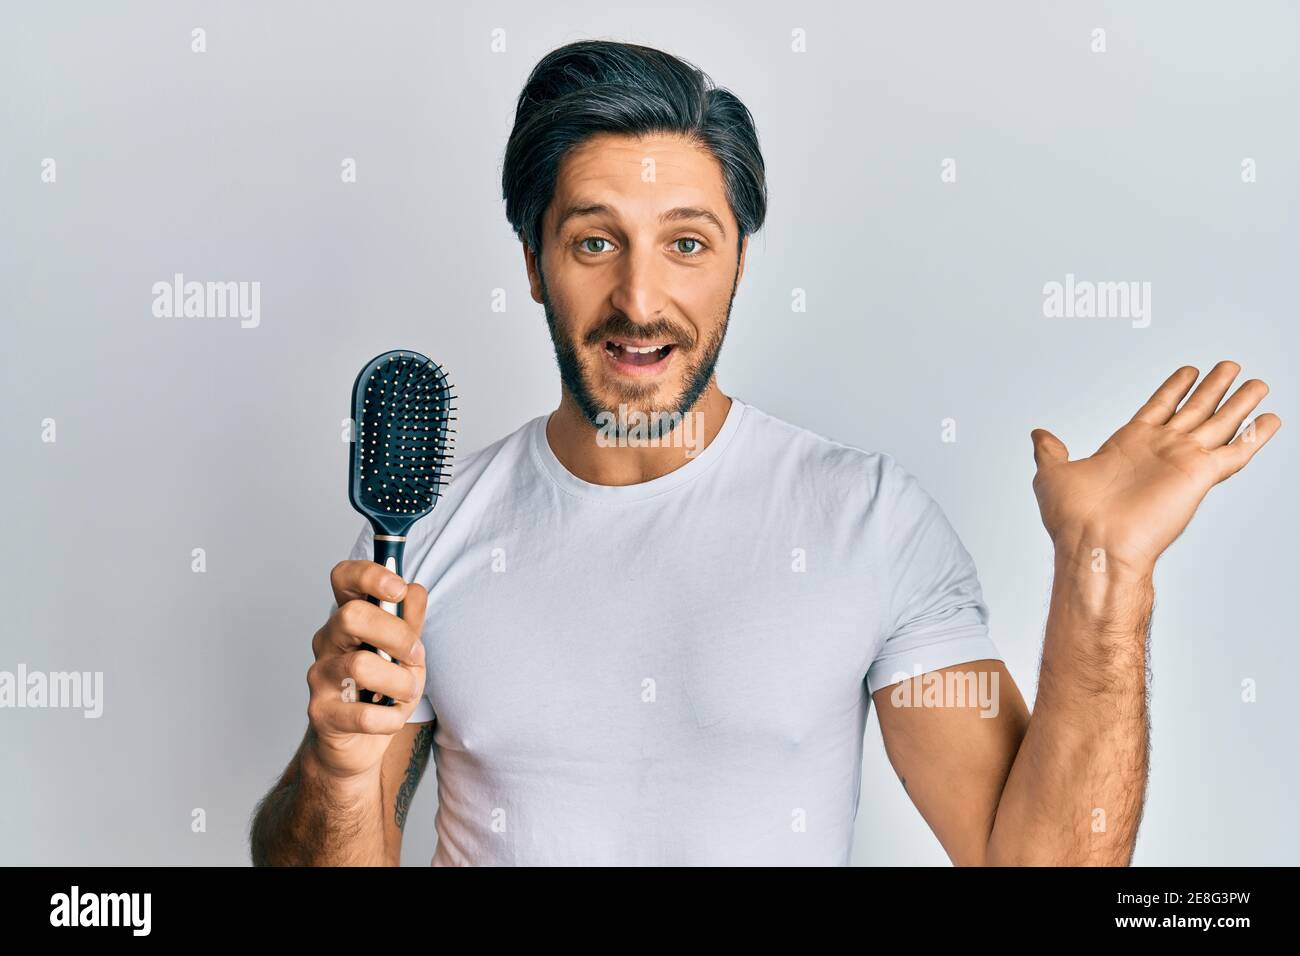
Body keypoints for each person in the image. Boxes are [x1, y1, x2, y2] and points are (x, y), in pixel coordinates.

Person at [250, 40, 1280, 866]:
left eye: (687, 242)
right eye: (594, 241)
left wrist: (1106, 572)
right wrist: (340, 767)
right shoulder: (426, 530)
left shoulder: (864, 520)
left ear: (739, 259)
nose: (641, 301)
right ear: (533, 263)